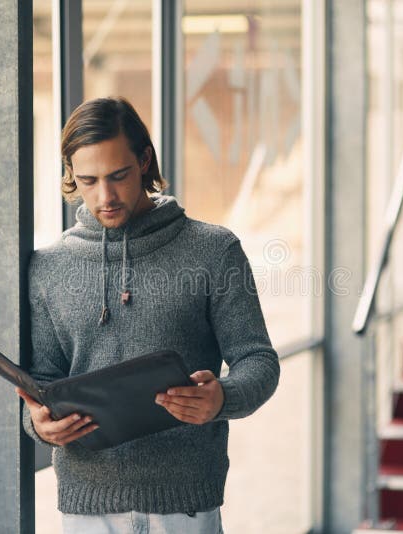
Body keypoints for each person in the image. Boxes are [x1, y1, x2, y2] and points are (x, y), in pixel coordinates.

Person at [15, 96, 280, 533]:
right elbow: (43, 378)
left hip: (185, 505)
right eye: (88, 180)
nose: (106, 196)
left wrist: (222, 398)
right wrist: (38, 424)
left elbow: (259, 361)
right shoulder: (48, 267)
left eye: (118, 176)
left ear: (144, 160)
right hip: (85, 510)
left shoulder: (214, 252)